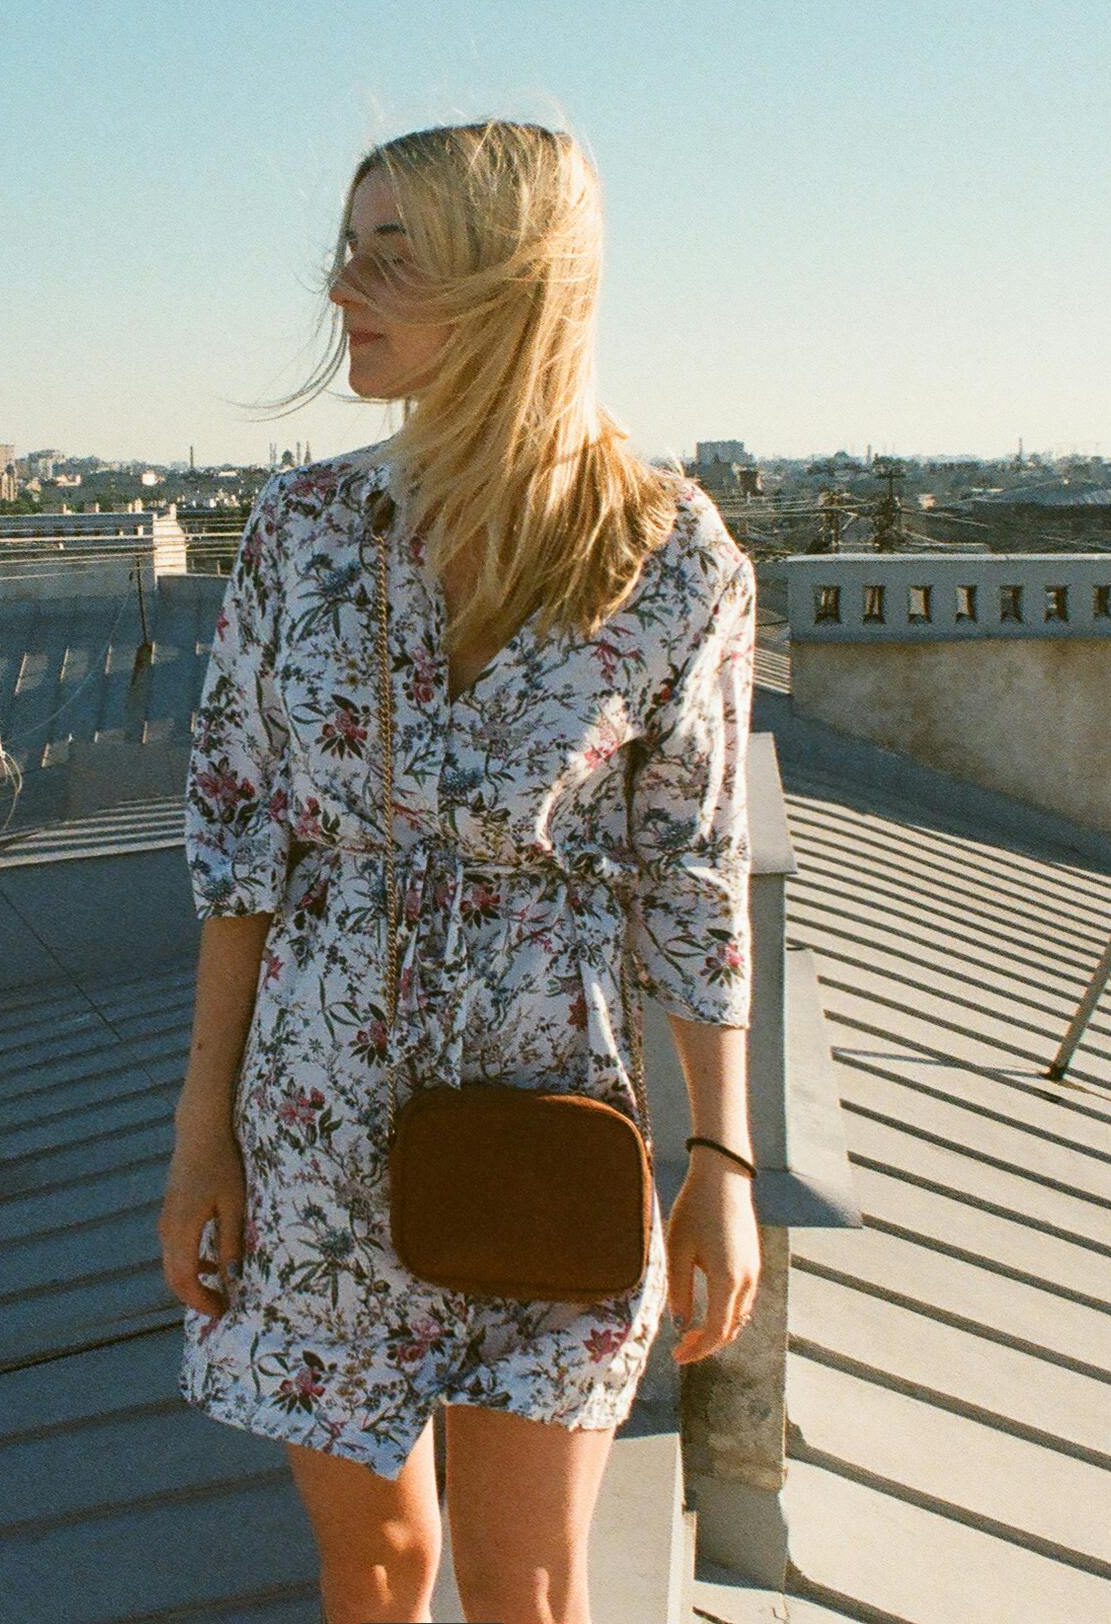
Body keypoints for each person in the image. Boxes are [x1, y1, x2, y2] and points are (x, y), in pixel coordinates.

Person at [158, 120, 762, 1624]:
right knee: (373, 1563)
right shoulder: (299, 534)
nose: (337, 283)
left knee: (530, 1583)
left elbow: (691, 870)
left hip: (545, 1109)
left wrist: (723, 1166)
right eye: (346, 243)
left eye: (388, 252)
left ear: (512, 281)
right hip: (312, 1121)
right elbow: (238, 849)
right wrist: (198, 1138)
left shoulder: (669, 554)